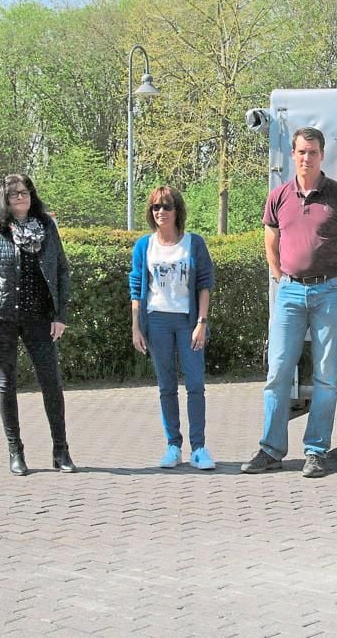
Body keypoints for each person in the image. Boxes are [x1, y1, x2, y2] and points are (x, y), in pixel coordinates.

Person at [241, 127, 337, 478]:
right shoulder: (278, 196)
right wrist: (282, 279)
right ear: (293, 155)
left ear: (321, 155)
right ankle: (270, 450)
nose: (306, 158)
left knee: (326, 376)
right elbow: (271, 243)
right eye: (300, 152)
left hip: (329, 292)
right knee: (278, 372)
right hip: (290, 293)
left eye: (312, 152)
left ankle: (316, 451)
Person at [0, 174, 76, 476]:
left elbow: (61, 272)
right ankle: (15, 451)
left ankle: (61, 451)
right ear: (5, 197)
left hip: (41, 317)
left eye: (25, 193)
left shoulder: (46, 226)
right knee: (6, 385)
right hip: (2, 317)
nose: (21, 198)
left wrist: (60, 316)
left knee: (52, 384)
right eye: (14, 194)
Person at [130, 186, 216, 470]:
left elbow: (205, 284)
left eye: (167, 206)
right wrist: (136, 328)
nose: (161, 212)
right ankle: (173, 446)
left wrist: (201, 323)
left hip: (188, 322)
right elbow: (137, 288)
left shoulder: (194, 243)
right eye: (155, 207)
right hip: (156, 322)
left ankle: (199, 448)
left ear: (177, 210)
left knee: (195, 385)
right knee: (166, 386)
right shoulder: (144, 246)